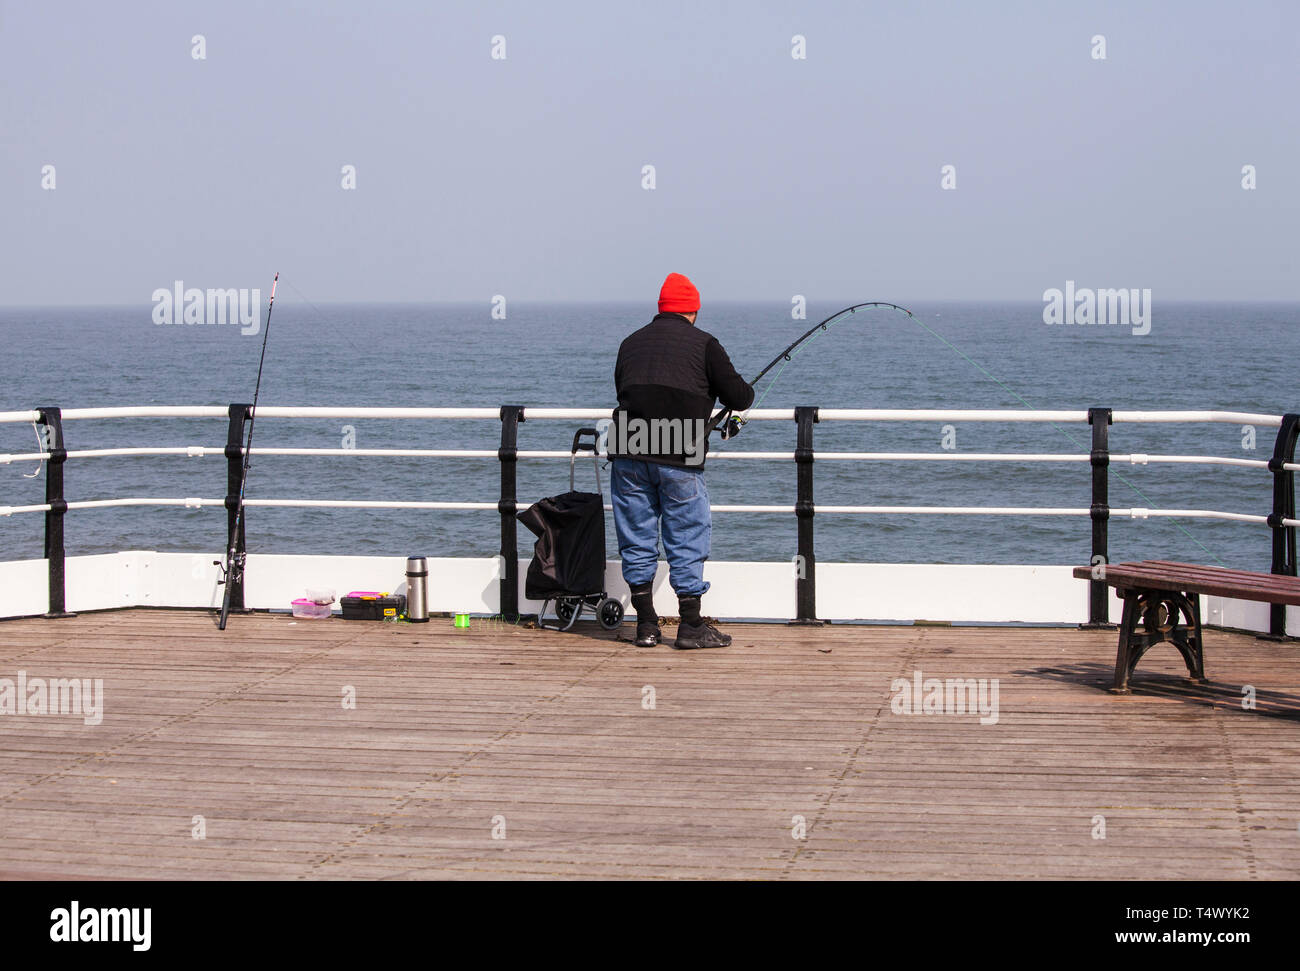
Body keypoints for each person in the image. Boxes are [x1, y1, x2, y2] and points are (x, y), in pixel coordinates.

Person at [606, 272, 754, 649]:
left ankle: (645, 626)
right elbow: (740, 394)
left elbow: (623, 389)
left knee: (636, 539)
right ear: (693, 310)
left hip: (628, 450)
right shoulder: (704, 344)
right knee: (686, 535)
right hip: (678, 454)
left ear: (661, 309)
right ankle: (690, 626)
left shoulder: (631, 343)